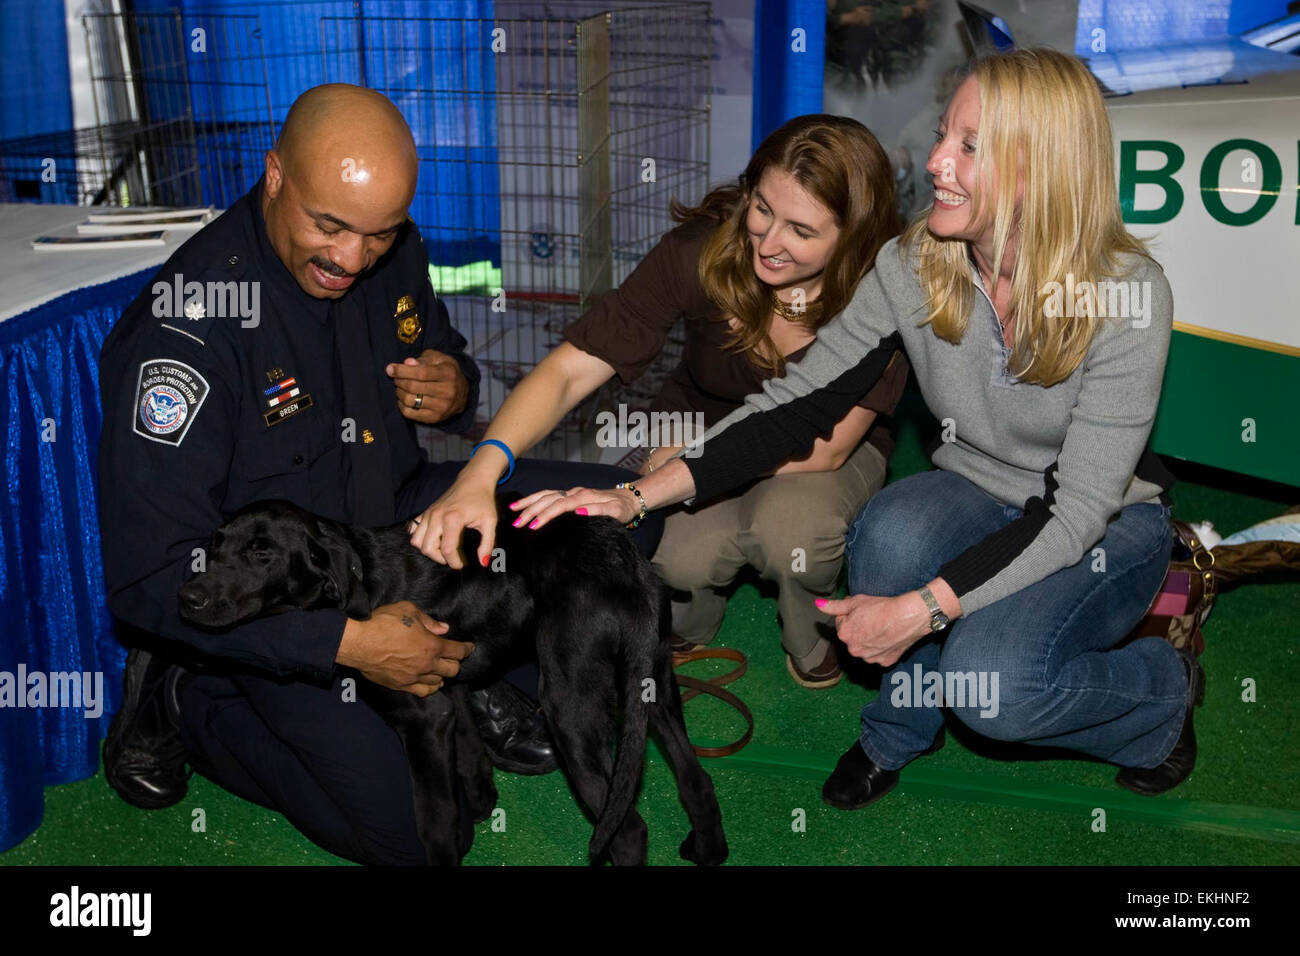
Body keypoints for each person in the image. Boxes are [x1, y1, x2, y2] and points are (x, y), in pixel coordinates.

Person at [506, 49, 1201, 804]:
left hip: (1103, 522)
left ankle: (1161, 693)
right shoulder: (916, 263)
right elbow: (797, 402)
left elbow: (1073, 512)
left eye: (969, 146)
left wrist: (922, 608)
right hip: (976, 484)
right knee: (889, 534)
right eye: (943, 134)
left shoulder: (1128, 297)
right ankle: (897, 731)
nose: (935, 160)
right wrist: (638, 497)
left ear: (1046, 168)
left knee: (993, 692)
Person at [97, 84, 662, 865]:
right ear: (273, 176)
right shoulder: (187, 330)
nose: (353, 259)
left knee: (613, 525)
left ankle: (469, 671)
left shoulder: (392, 245)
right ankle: (192, 703)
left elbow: (443, 352)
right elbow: (150, 576)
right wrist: (347, 643)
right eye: (329, 226)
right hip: (281, 593)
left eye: (379, 233)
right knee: (425, 833)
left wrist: (453, 387)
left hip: (397, 528)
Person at [409, 114, 909, 688]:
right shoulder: (704, 249)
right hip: (704, 419)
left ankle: (808, 634)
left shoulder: (883, 291)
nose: (767, 243)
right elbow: (571, 370)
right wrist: (483, 467)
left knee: (790, 535)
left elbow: (827, 448)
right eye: (763, 209)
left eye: (801, 230)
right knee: (679, 555)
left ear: (854, 235)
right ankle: (691, 620)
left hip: (816, 448)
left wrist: (671, 469)